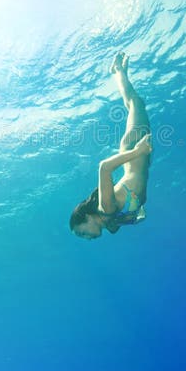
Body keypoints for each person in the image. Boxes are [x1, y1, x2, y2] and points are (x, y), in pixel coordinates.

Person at [70, 51, 153, 239]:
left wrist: (138, 151)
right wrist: (135, 216)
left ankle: (118, 71)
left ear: (87, 217)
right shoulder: (111, 223)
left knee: (135, 103)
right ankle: (120, 72)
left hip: (135, 149)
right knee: (135, 104)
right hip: (142, 159)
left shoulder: (105, 207)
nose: (87, 238)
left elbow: (105, 167)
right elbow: (132, 217)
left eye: (82, 233)